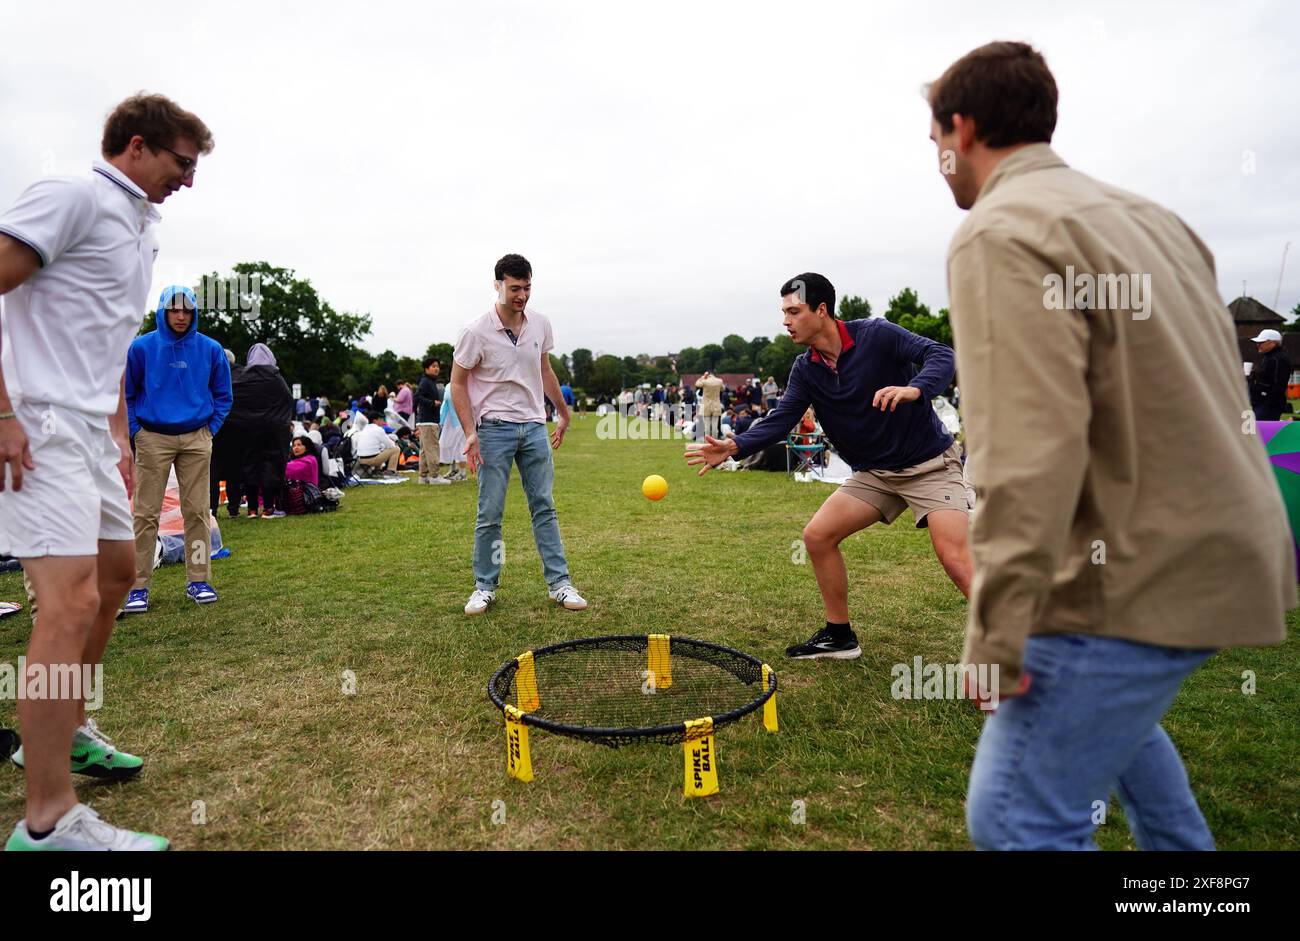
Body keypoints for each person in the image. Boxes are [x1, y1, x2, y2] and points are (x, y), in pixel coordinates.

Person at [928, 40, 1293, 850]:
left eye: (935, 145)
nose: (938, 164)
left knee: (1019, 815)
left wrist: (997, 632)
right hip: (1229, 546)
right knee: (1121, 740)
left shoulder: (1001, 230)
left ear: (961, 127)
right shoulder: (1155, 221)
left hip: (1126, 564)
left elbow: (1027, 448)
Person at [0, 92, 212, 851]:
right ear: (134, 146)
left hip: (89, 430)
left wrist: (118, 431)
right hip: (37, 422)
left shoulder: (140, 229)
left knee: (120, 572)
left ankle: (64, 725)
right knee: (67, 600)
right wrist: (3, 414)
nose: (189, 180)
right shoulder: (73, 195)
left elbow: (100, 337)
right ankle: (47, 821)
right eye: (182, 163)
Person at [686, 272, 971, 660]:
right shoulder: (806, 368)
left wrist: (914, 388)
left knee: (954, 557)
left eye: (793, 311)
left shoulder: (877, 334)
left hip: (929, 464)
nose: (785, 321)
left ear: (821, 310)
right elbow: (783, 417)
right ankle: (840, 636)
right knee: (818, 536)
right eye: (783, 312)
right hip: (874, 474)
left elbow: (942, 354)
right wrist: (734, 446)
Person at [450, 253, 587, 615]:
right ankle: (484, 587)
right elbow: (458, 384)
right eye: (514, 288)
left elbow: (545, 370)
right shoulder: (474, 331)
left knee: (544, 507)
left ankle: (560, 584)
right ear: (497, 285)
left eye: (527, 288)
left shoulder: (540, 324)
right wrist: (469, 432)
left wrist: (562, 411)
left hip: (534, 428)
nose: (521, 296)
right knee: (490, 513)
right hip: (493, 431)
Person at [123, 285, 231, 613]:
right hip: (152, 437)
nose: (181, 316)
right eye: (174, 310)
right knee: (144, 513)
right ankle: (137, 586)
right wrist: (137, 433)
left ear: (195, 312)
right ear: (162, 311)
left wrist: (208, 431)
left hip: (196, 437)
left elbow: (224, 396)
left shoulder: (211, 349)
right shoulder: (141, 348)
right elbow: (126, 394)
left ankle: (198, 580)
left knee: (198, 512)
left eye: (186, 310)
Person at [226, 343, 292, 519]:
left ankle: (252, 509)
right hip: (272, 432)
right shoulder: (276, 378)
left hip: (246, 431)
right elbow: (287, 401)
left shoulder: (241, 378)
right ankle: (269, 508)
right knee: (271, 465)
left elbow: (232, 400)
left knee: (249, 467)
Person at [210, 349, 241, 515]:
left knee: (212, 472)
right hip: (236, 430)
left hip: (216, 429)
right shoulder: (242, 377)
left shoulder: (211, 374)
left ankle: (212, 508)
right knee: (234, 471)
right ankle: (234, 507)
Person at [415, 357, 449, 485]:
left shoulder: (430, 381)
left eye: (437, 366)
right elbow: (417, 397)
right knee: (433, 448)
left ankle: (423, 477)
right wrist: (432, 403)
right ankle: (434, 476)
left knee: (425, 450)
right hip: (428, 421)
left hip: (427, 420)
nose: (436, 368)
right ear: (426, 368)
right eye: (433, 366)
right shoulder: (425, 382)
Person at [1248, 328, 1291, 421]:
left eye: (1262, 342)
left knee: (1261, 433)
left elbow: (1278, 385)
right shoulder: (1269, 358)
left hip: (1267, 406)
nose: (1258, 345)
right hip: (1261, 404)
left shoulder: (1277, 359)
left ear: (1273, 343)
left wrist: (1267, 403)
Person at [353, 411, 400, 475]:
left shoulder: (364, 429)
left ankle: (377, 470)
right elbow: (391, 445)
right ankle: (391, 471)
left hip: (360, 459)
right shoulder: (378, 429)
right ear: (375, 421)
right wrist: (392, 442)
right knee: (396, 449)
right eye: (380, 420)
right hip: (371, 460)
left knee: (379, 449)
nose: (383, 422)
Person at [694, 371, 724, 440]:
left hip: (706, 405)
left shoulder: (705, 381)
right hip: (716, 405)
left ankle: (707, 441)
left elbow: (697, 384)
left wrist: (702, 377)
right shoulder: (719, 381)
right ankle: (715, 441)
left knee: (707, 426)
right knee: (715, 425)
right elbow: (723, 389)